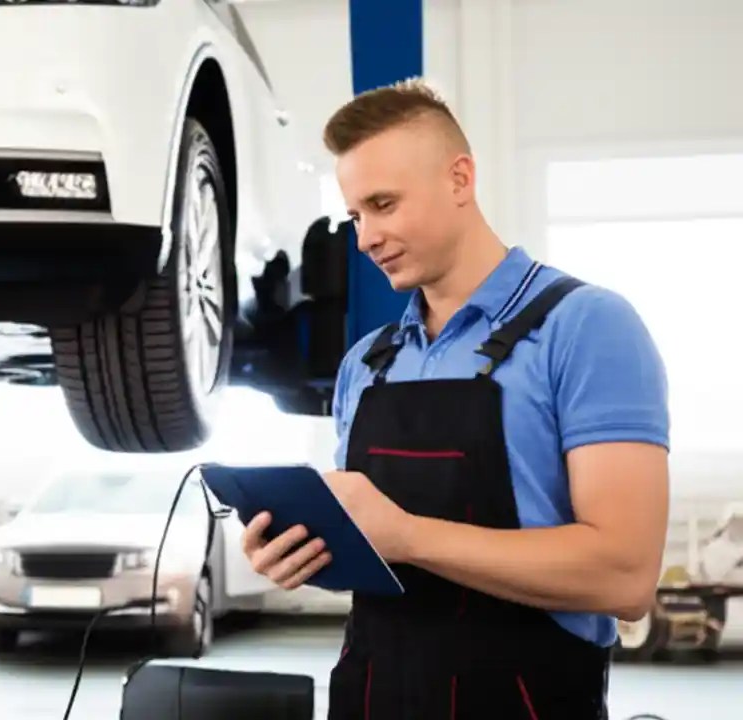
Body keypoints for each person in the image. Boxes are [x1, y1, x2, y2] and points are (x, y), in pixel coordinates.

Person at [242, 79, 670, 719]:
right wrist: (306, 550)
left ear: (460, 180)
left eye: (384, 205)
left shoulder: (587, 328)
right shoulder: (368, 363)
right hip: (371, 697)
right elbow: (380, 556)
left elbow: (625, 576)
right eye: (356, 215)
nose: (365, 238)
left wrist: (409, 536)